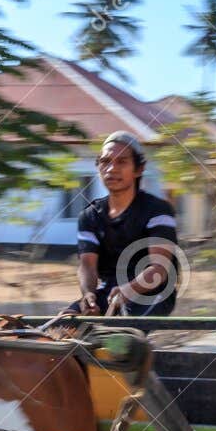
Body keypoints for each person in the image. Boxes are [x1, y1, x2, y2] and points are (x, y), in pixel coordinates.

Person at [70, 131, 180, 317]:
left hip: (152, 293)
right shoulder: (89, 216)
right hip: (109, 292)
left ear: (139, 169)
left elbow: (159, 269)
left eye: (121, 162)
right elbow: (87, 266)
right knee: (63, 326)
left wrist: (127, 291)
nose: (111, 169)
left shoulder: (157, 210)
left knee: (119, 337)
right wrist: (88, 294)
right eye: (105, 162)